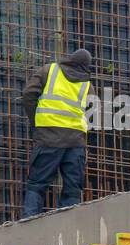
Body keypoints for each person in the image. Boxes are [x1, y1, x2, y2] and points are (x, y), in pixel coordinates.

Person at [21, 48, 93, 217]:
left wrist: (36, 122)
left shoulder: (49, 70)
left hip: (48, 137)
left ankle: (29, 222)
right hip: (75, 141)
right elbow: (91, 109)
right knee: (73, 188)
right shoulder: (88, 84)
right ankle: (68, 226)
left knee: (37, 183)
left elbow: (28, 95)